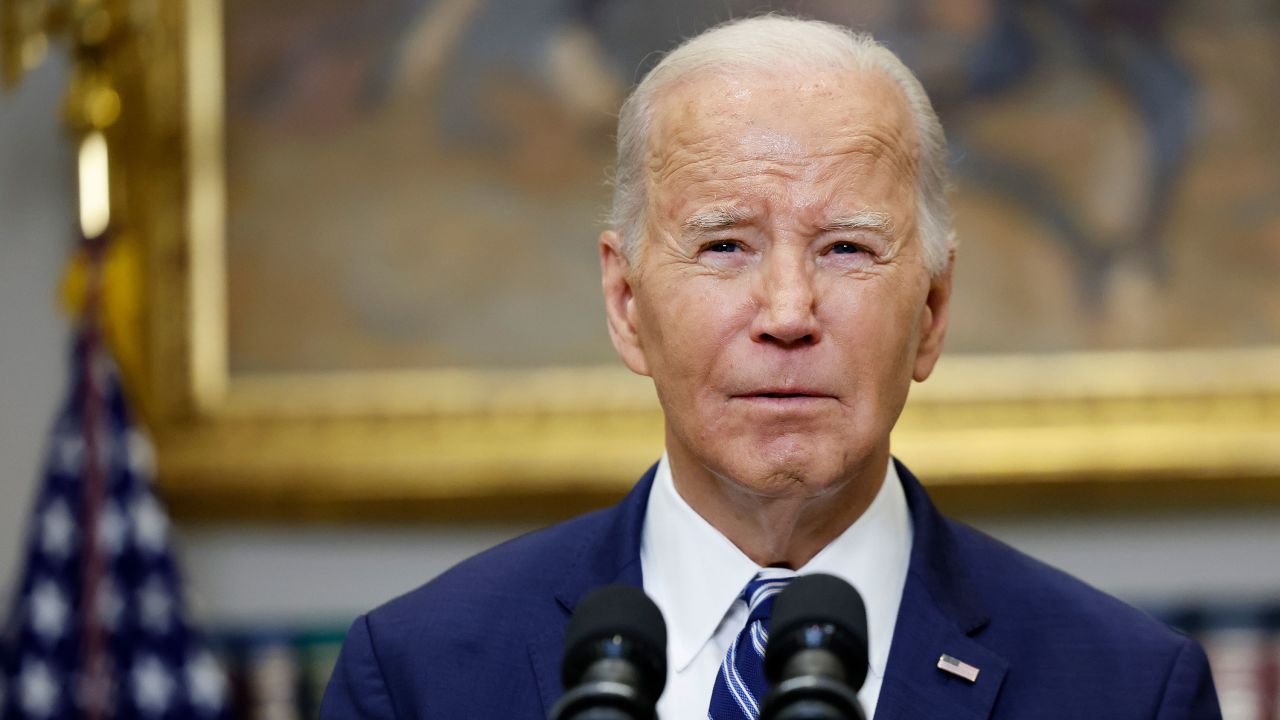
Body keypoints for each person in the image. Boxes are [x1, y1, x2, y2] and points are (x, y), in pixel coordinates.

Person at [320, 15, 1220, 719]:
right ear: (627, 304)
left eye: (844, 248)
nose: (789, 313)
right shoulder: (419, 674)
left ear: (933, 312)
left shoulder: (1129, 688)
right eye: (724, 245)